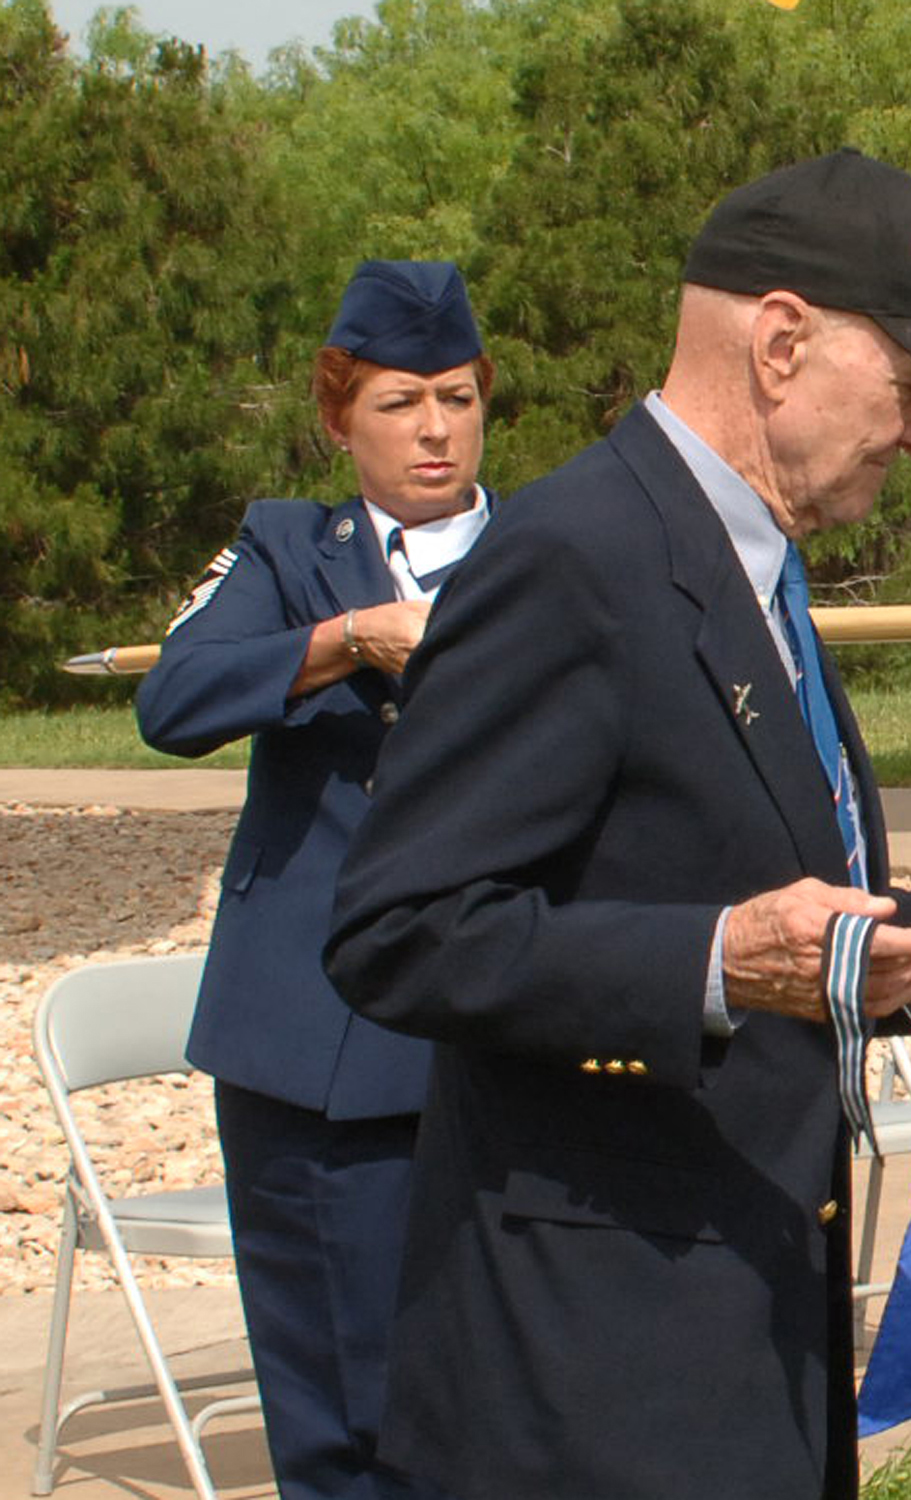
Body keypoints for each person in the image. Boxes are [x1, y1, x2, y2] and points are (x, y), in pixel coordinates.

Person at [322, 149, 911, 1500]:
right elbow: (397, 931)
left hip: (746, 1348)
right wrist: (710, 965)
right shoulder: (575, 557)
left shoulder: (751, 568)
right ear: (782, 342)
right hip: (592, 1386)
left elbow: (798, 929)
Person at [136, 259, 494, 1499]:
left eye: (457, 396)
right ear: (340, 416)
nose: (435, 429)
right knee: (341, 1420)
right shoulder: (289, 549)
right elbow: (174, 701)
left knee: (508, 1395)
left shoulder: (555, 546)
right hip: (317, 1045)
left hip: (510, 1023)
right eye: (400, 402)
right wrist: (348, 642)